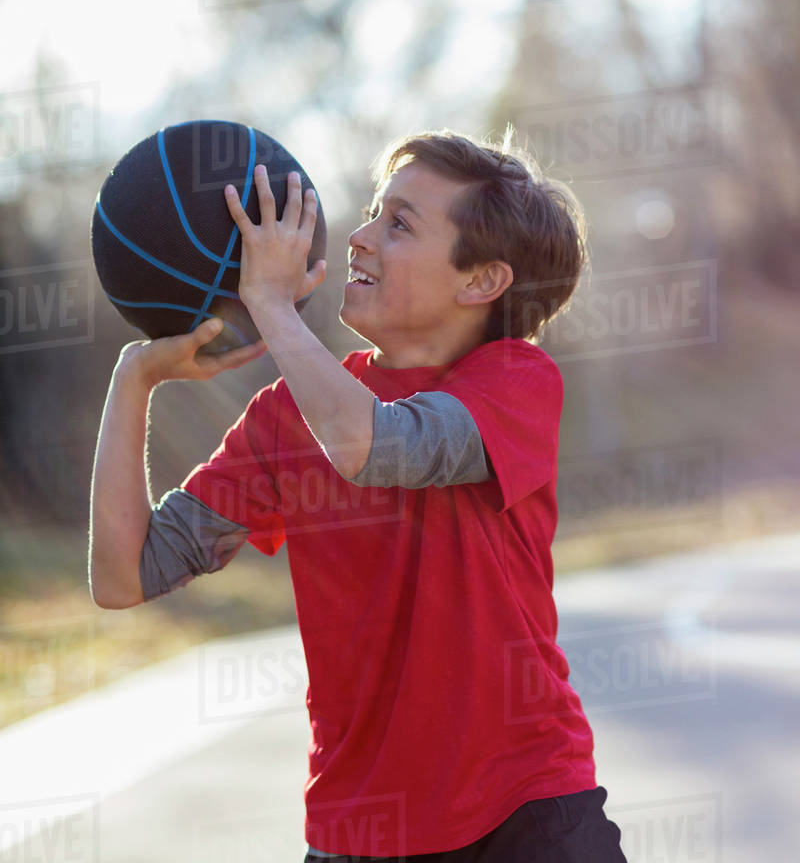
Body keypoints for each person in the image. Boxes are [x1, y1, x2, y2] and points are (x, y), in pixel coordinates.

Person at [89, 127, 628, 863]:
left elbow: (374, 446)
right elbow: (122, 578)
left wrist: (271, 307)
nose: (360, 236)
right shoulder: (286, 418)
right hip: (359, 831)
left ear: (481, 282)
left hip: (526, 813)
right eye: (375, 210)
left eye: (399, 223)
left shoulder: (517, 382)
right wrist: (134, 378)